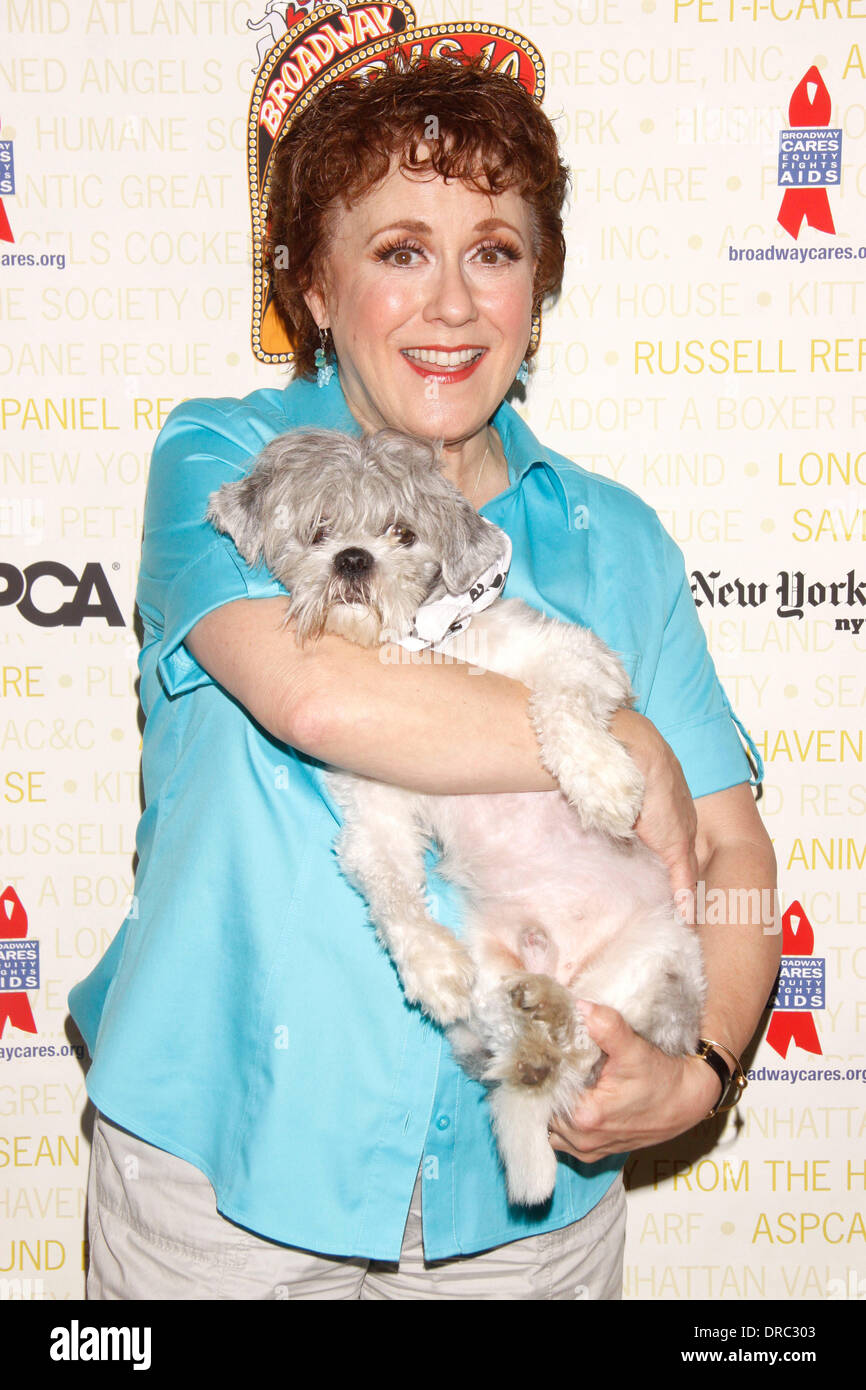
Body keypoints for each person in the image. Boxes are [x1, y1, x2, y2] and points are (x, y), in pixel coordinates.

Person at [69, 51, 779, 1300]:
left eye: (493, 251)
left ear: (536, 286)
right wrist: (622, 741)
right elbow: (323, 699)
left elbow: (730, 857)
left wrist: (702, 1065)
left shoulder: (618, 538)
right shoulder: (226, 461)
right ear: (312, 283)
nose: (450, 305)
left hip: (528, 1211)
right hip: (223, 1184)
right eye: (399, 249)